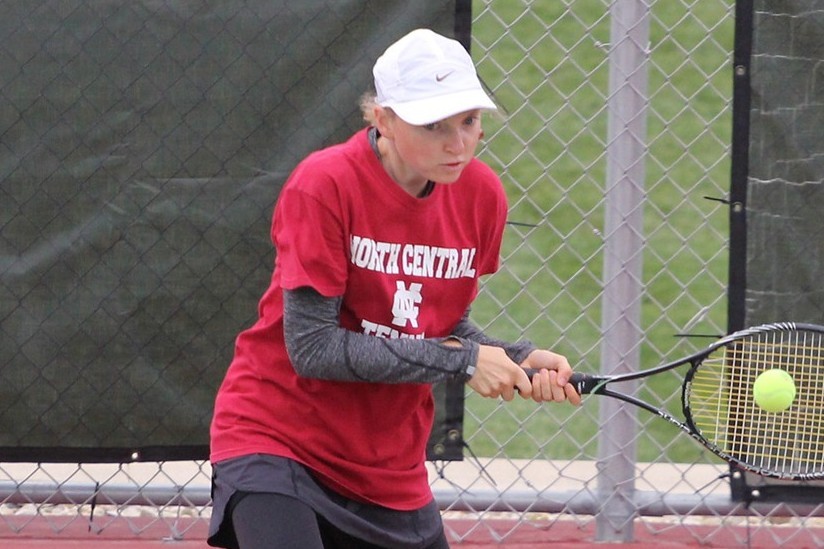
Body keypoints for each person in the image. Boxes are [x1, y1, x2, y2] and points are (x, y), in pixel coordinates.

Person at [208, 28, 581, 549]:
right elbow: (313, 348)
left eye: (470, 121)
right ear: (381, 119)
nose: (458, 143)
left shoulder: (482, 197)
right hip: (279, 442)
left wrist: (515, 356)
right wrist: (466, 361)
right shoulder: (325, 184)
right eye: (433, 125)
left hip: (389, 470)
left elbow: (435, 322)